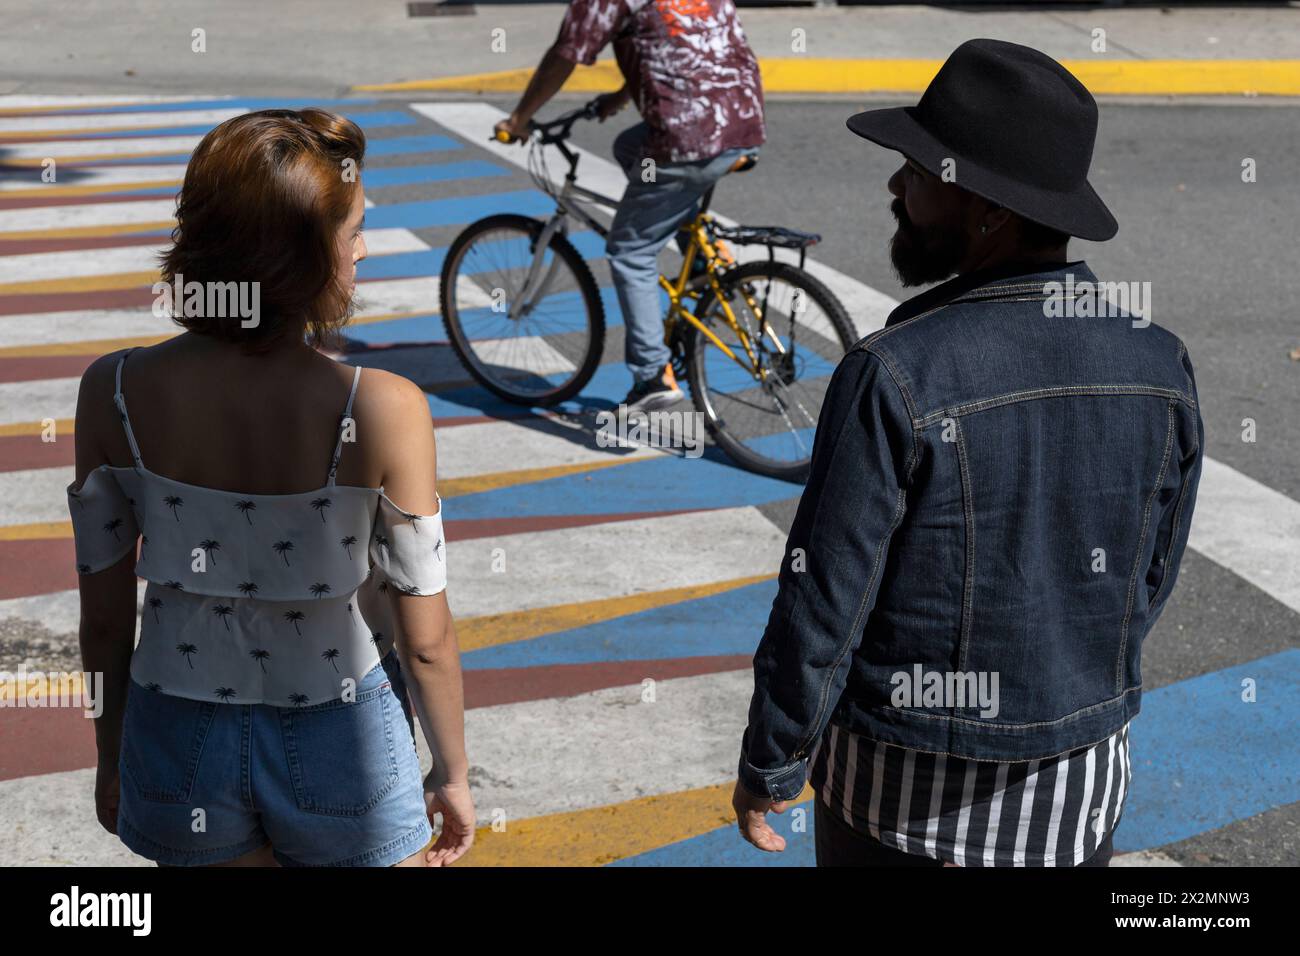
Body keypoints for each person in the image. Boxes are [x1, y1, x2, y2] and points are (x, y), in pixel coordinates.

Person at [732, 39, 1204, 866]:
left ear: (989, 211)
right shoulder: (1160, 365)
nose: (894, 186)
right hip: (1074, 804)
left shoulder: (895, 373)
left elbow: (825, 600)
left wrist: (774, 758)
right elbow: (1151, 576)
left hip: (899, 809)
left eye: (917, 172)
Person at [67, 108, 475, 867]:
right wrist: (452, 776)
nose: (363, 251)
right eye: (352, 232)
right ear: (304, 260)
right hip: (340, 735)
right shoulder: (383, 408)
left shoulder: (113, 391)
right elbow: (426, 642)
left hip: (175, 735)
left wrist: (111, 751)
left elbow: (102, 621)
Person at [493, 0, 766, 413]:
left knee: (630, 251)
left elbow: (565, 53)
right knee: (629, 148)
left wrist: (519, 118)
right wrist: (622, 95)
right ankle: (696, 254)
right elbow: (692, 48)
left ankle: (651, 375)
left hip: (689, 136)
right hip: (743, 122)